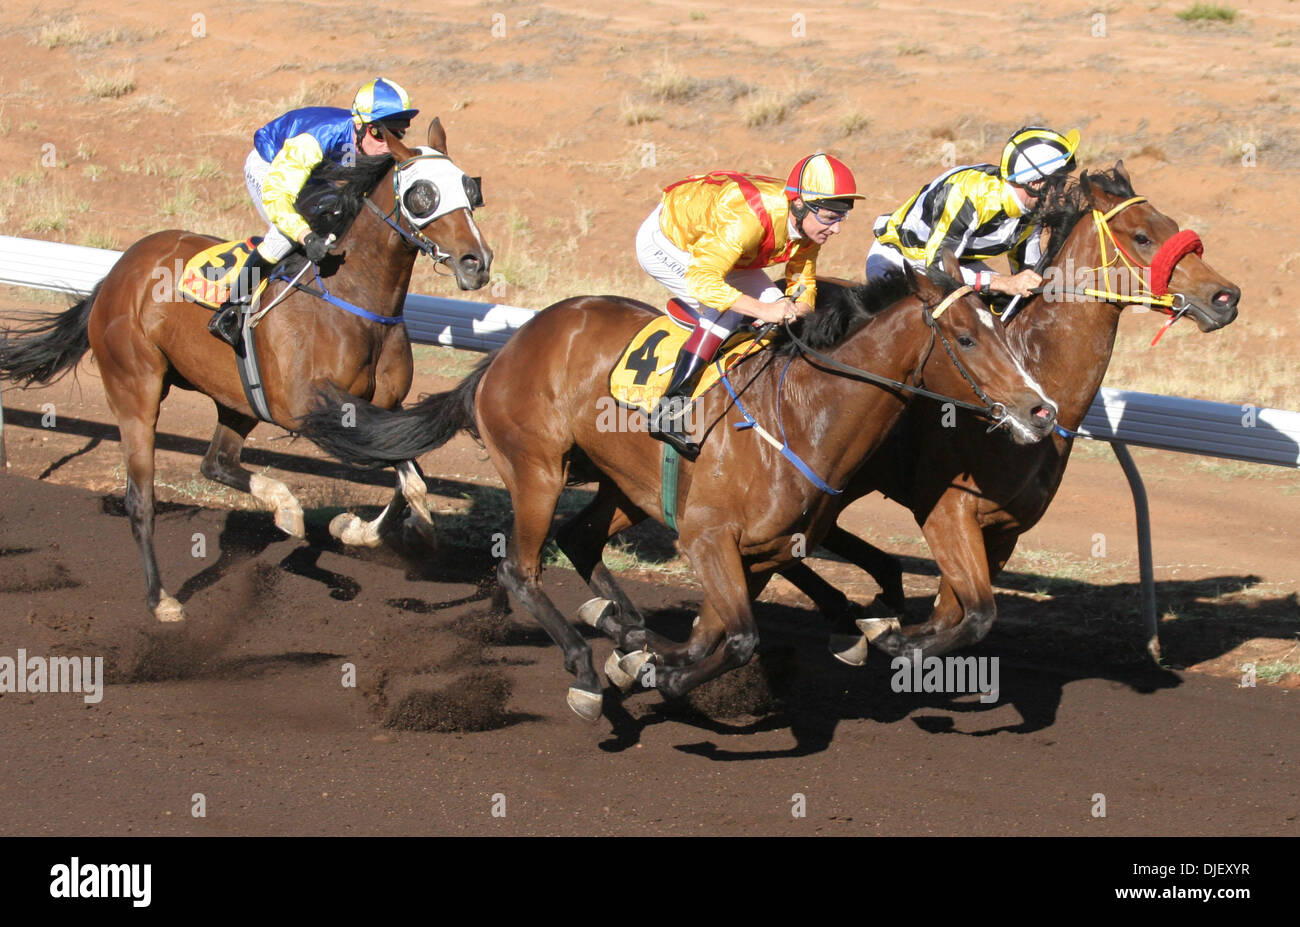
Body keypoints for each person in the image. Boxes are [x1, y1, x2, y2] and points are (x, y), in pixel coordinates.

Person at [636, 152, 865, 458]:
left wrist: (800, 311)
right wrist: (764, 311)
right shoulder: (747, 219)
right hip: (669, 241)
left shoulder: (808, 228)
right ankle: (668, 409)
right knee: (731, 310)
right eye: (829, 216)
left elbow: (802, 283)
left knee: (777, 305)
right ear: (799, 205)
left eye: (841, 216)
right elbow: (703, 282)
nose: (836, 228)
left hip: (722, 247)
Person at [208, 77, 419, 345]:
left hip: (314, 175)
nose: (388, 145)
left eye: (397, 134)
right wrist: (305, 235)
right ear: (359, 125)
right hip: (271, 166)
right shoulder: (316, 139)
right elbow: (279, 197)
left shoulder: (364, 140)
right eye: (380, 133)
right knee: (283, 237)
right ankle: (230, 308)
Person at [866, 126, 1080, 299]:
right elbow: (938, 269)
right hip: (902, 263)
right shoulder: (968, 194)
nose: (1062, 192)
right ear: (1034, 182)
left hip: (958, 264)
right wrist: (1003, 283)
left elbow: (1028, 272)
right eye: (1059, 182)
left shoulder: (1032, 208)